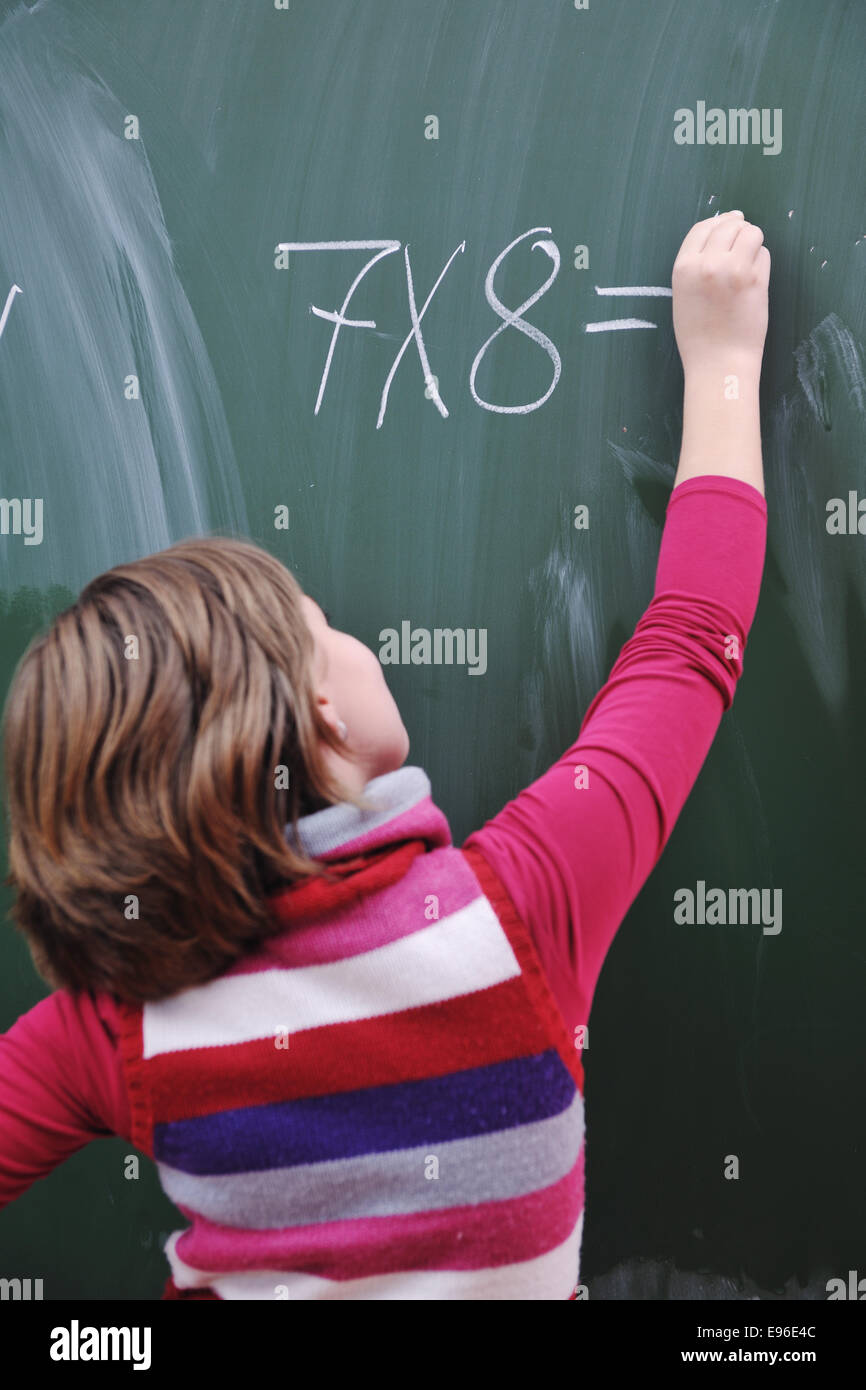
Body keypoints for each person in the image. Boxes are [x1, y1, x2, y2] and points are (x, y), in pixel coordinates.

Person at [0, 210, 769, 1299]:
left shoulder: (124, 1026)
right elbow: (691, 639)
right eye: (323, 619)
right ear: (319, 711)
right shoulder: (520, 914)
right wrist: (724, 359)